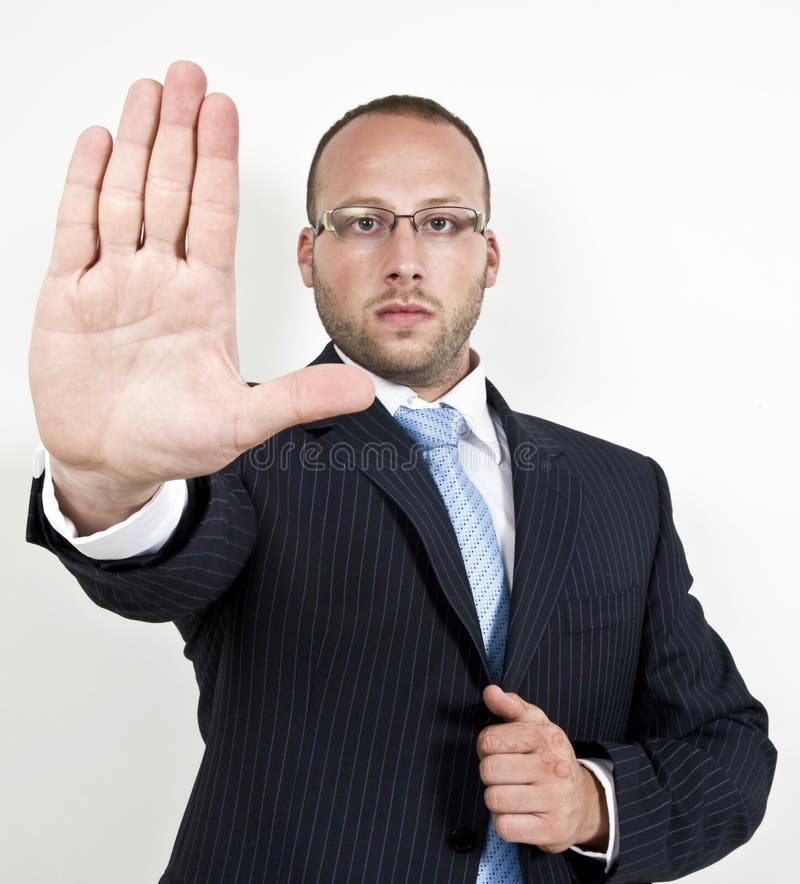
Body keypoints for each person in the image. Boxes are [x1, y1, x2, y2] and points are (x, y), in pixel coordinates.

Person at [27, 60, 775, 884]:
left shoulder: (623, 488)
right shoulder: (231, 447)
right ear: (308, 254)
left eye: (443, 223)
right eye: (363, 221)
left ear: (489, 255)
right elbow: (162, 563)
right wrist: (107, 482)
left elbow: (728, 747)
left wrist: (595, 802)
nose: (406, 259)